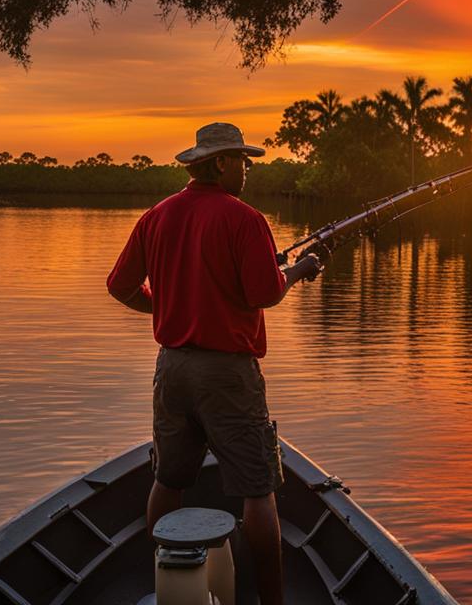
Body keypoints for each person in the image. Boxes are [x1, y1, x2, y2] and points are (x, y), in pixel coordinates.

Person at [106, 122, 321, 605]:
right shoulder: (244, 219)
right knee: (258, 489)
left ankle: (158, 583)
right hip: (227, 374)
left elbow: (119, 287)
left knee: (168, 478)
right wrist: (301, 269)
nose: (247, 170)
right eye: (242, 161)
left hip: (172, 370)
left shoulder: (155, 217)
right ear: (221, 163)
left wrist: (161, 309)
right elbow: (265, 292)